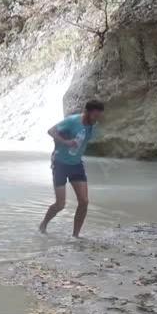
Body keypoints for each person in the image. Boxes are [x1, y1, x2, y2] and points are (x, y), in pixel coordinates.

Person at [39, 100, 104, 238]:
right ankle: (43, 224)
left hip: (76, 165)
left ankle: (75, 236)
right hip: (60, 164)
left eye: (98, 117)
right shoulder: (71, 121)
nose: (96, 119)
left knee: (84, 201)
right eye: (94, 116)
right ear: (86, 112)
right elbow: (51, 131)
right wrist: (65, 142)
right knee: (60, 204)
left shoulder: (94, 126)